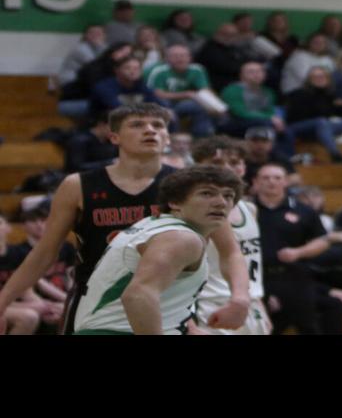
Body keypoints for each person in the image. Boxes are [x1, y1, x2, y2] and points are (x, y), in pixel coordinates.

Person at [0, 104, 251, 334]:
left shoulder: (193, 187)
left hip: (165, 301)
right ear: (114, 137)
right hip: (95, 302)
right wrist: (3, 302)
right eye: (137, 124)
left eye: (158, 125)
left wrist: (240, 297)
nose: (150, 130)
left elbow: (230, 251)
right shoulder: (78, 185)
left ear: (167, 138)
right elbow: (44, 253)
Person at [72, 166, 244, 335]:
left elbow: (158, 295)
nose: (221, 202)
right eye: (207, 193)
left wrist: (189, 328)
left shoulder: (155, 225)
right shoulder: (181, 238)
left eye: (228, 196)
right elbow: (138, 295)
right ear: (175, 202)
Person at [186, 137, 272, 336]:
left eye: (234, 162)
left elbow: (252, 261)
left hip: (249, 305)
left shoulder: (250, 209)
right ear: (198, 167)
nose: (226, 168)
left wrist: (258, 302)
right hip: (210, 307)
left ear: (244, 167)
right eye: (216, 162)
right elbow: (175, 274)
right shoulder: (193, 213)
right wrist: (189, 324)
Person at [250, 162, 330, 334]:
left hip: (295, 277)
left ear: (286, 181)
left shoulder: (304, 211)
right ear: (256, 181)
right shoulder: (245, 210)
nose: (271, 182)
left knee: (308, 326)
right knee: (262, 328)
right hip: (256, 278)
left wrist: (299, 252)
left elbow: (323, 240)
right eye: (266, 178)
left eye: (277, 178)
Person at [144, 44, 220, 137]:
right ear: (167, 59)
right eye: (175, 56)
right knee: (166, 109)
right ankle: (172, 139)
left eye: (183, 56)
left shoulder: (197, 69)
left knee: (201, 107)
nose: (180, 59)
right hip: (162, 104)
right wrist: (187, 94)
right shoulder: (159, 71)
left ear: (190, 58)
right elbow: (156, 94)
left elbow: (205, 91)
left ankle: (203, 137)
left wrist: (216, 106)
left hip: (185, 104)